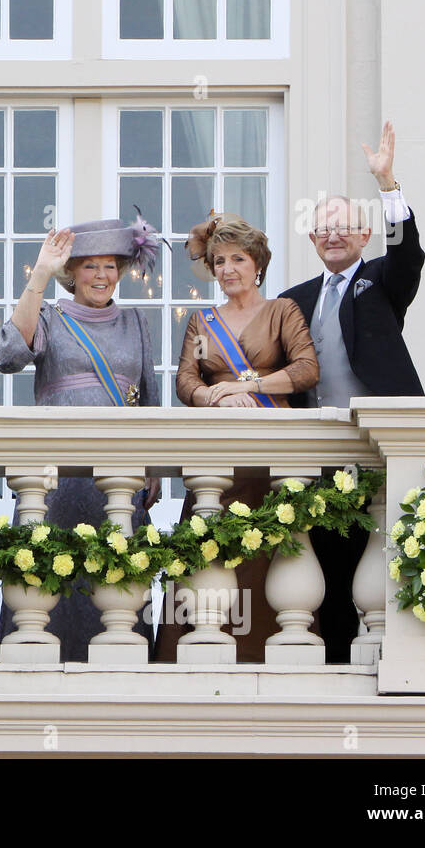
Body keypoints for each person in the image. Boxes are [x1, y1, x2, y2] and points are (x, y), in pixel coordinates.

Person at [279, 119, 424, 663]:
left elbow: (410, 254)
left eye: (343, 228)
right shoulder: (293, 299)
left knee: (387, 557)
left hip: (378, 447)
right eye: (322, 230)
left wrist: (388, 185)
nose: (332, 236)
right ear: (312, 239)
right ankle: (337, 660)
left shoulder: (385, 281)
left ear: (364, 235)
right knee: (328, 563)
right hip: (314, 453)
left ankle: (393, 663)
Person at [0, 219, 161, 661]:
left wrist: (155, 466)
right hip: (57, 479)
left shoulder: (136, 322)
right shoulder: (50, 315)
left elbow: (150, 401)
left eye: (109, 265)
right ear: (73, 273)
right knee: (48, 582)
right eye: (89, 266)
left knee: (118, 585)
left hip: (118, 478)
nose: (101, 276)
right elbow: (7, 356)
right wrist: (40, 275)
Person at [157, 213, 320, 662]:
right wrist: (213, 396)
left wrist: (247, 387)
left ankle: (268, 654)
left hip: (272, 450)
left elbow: (307, 370)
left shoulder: (283, 311)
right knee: (211, 546)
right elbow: (185, 381)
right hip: (218, 452)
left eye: (238, 259)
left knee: (274, 550)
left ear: (258, 264)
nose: (229, 269)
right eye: (220, 261)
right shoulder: (201, 322)